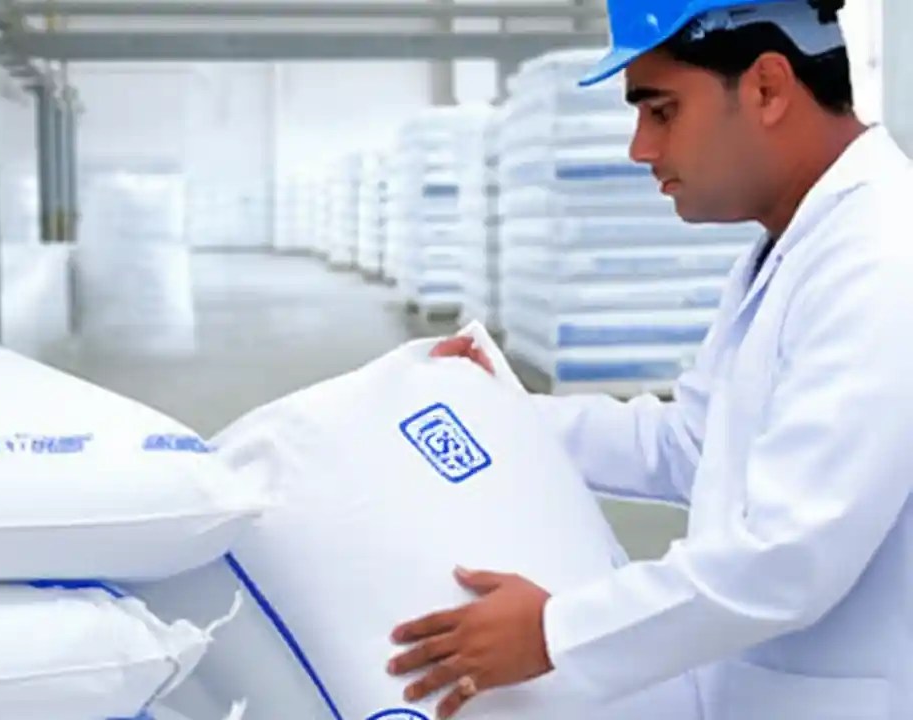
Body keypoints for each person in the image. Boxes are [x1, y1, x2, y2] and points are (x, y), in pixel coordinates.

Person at [385, 1, 913, 719]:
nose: (640, 148)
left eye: (662, 111)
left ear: (767, 87)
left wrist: (553, 633)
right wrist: (502, 413)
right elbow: (693, 444)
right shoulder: (792, 247)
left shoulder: (881, 256)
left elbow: (789, 559)